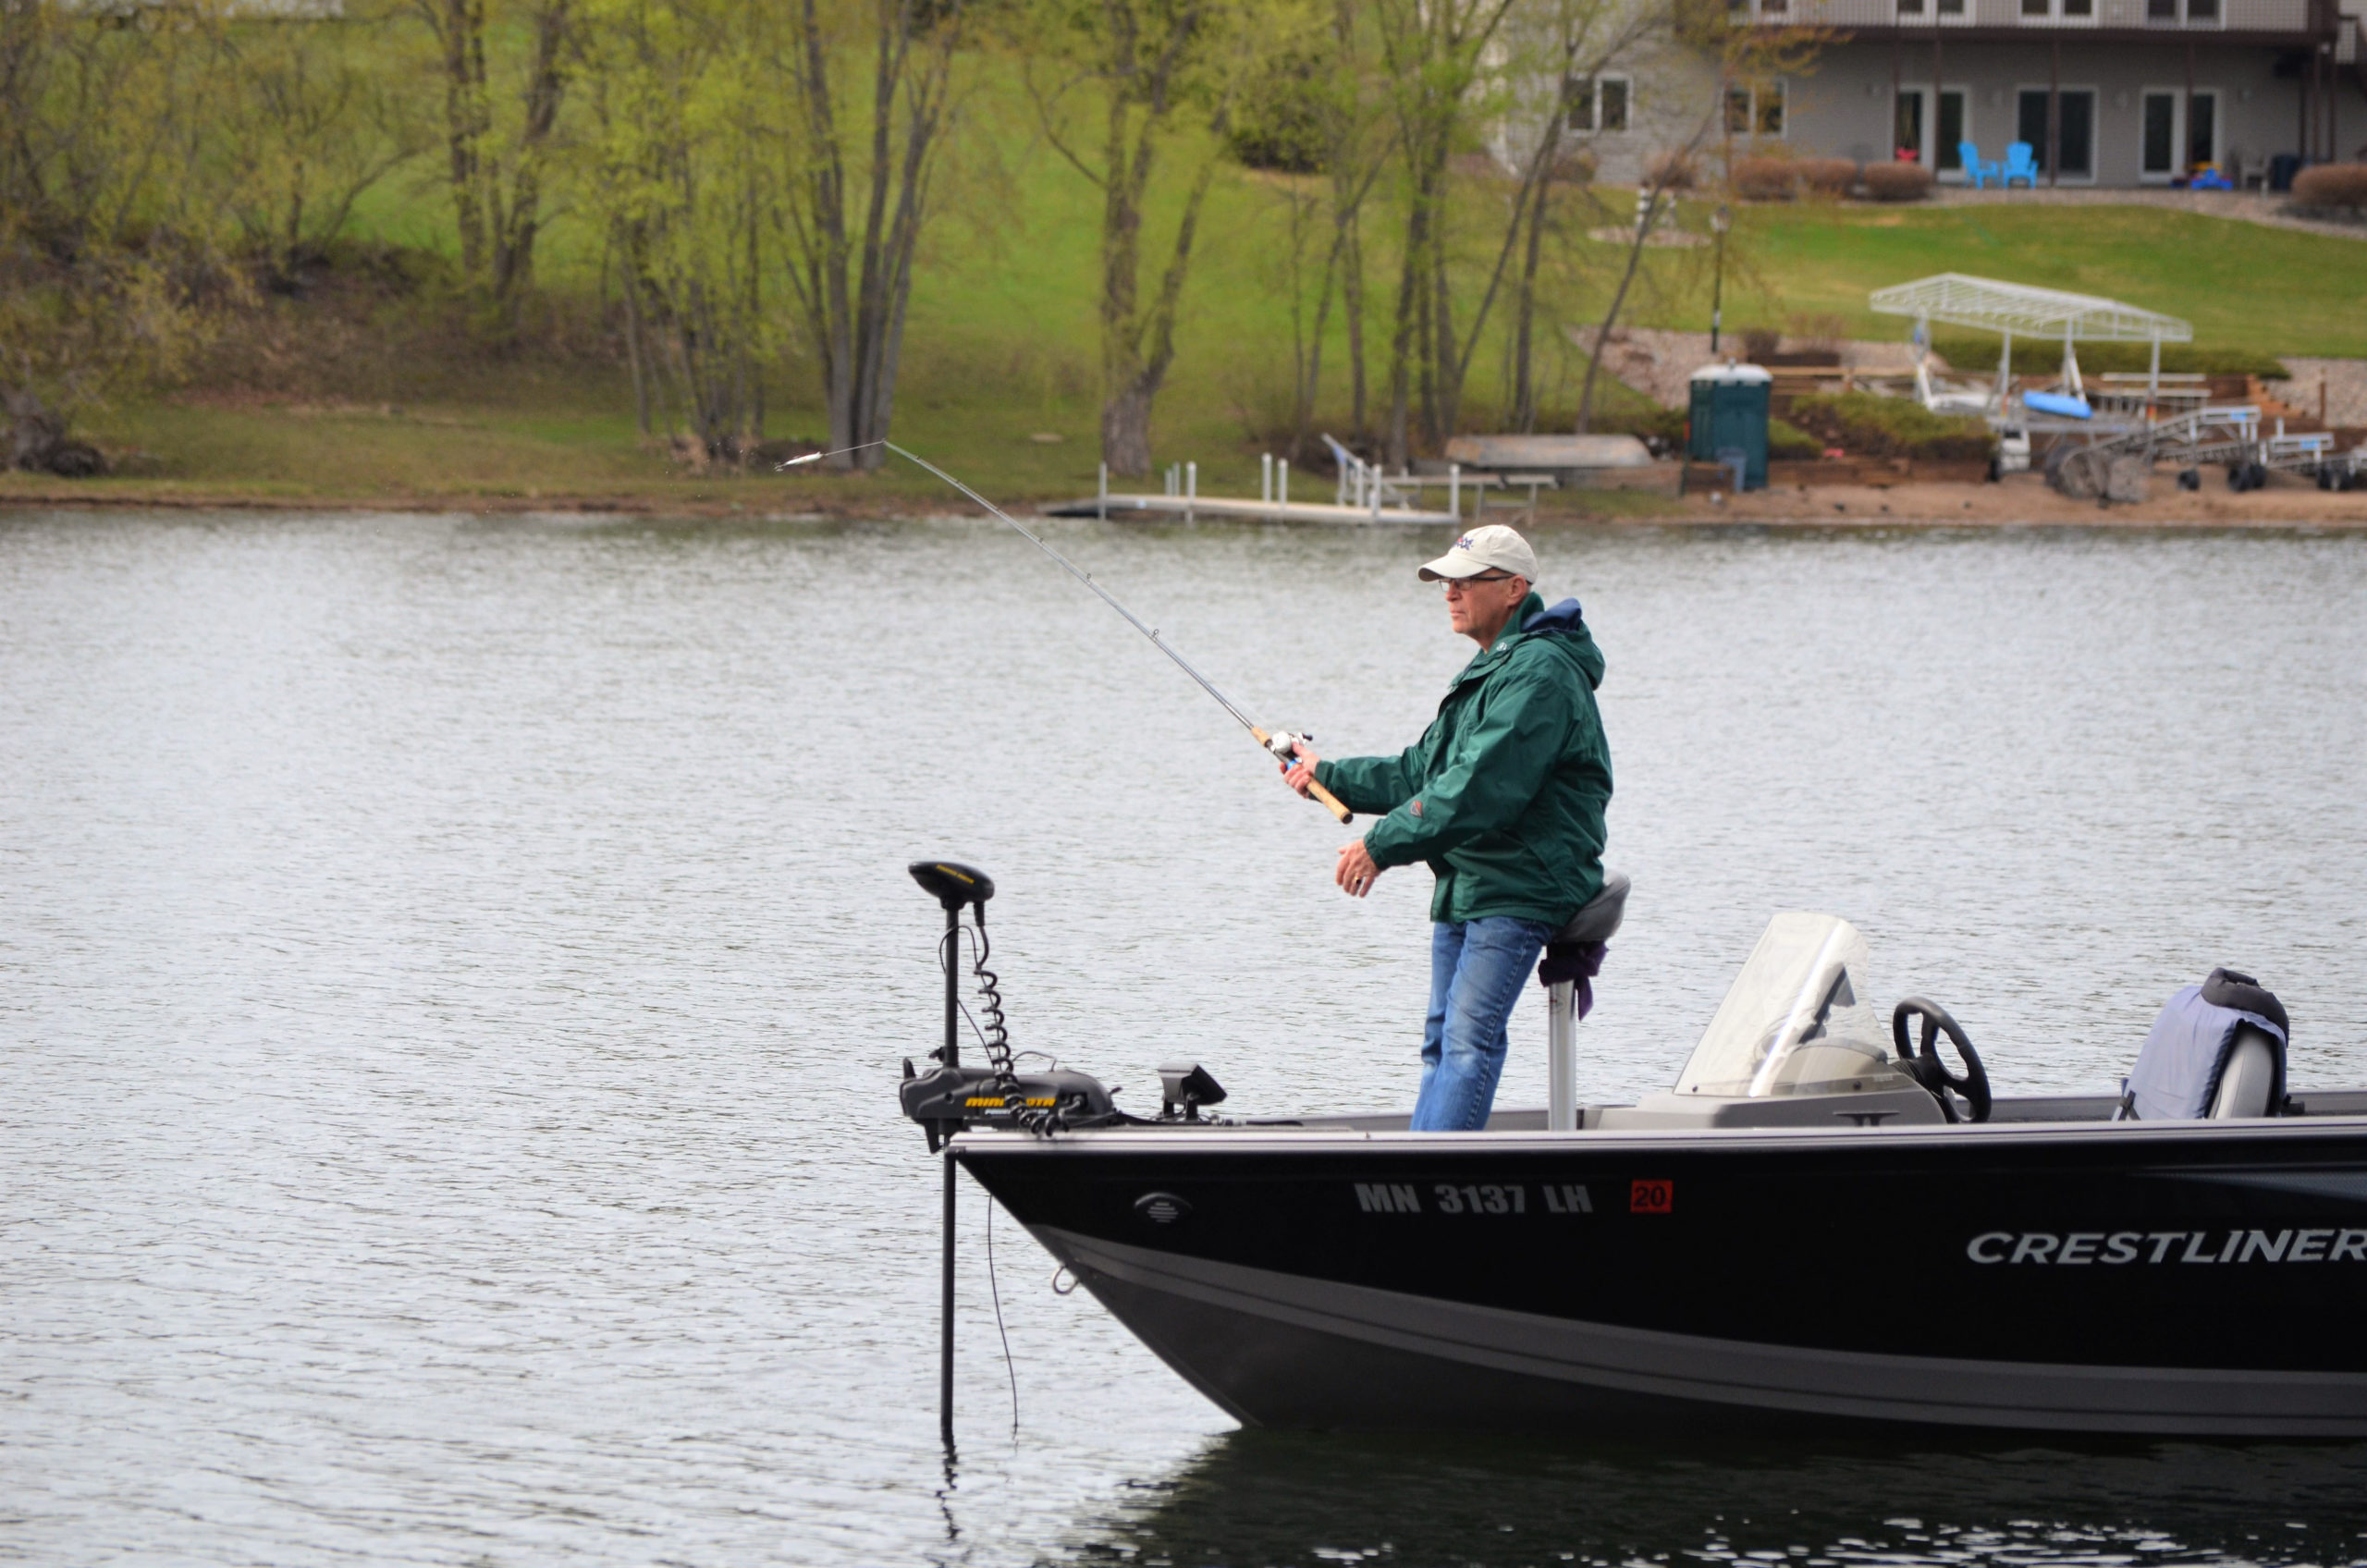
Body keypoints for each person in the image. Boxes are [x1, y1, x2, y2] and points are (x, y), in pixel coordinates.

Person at [1283, 524, 1611, 1132]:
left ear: (1513, 589)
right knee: (1441, 1044)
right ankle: (1421, 1165)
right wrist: (1325, 773)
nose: (1449, 593)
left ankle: (1432, 1180)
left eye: (1465, 581)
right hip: (1473, 879)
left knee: (1468, 1043)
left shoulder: (1540, 676)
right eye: (1444, 582)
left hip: (1521, 880)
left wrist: (1379, 847)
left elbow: (1476, 790)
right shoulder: (1496, 668)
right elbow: (1422, 772)